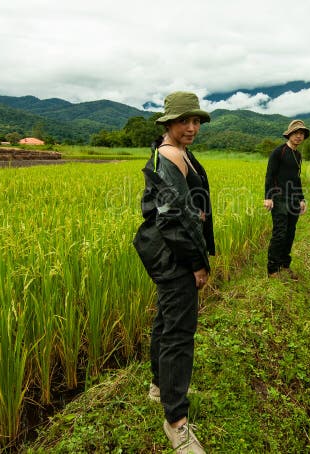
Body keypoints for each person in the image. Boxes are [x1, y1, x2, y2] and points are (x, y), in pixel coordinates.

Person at [133, 91, 214, 454]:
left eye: (196, 120)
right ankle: (176, 421)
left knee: (166, 320)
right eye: (185, 120)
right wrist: (197, 263)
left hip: (167, 254)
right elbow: (174, 219)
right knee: (179, 333)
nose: (192, 127)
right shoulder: (169, 156)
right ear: (169, 123)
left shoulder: (176, 152)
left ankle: (158, 387)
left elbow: (183, 209)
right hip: (175, 257)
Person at [263, 119, 310, 276]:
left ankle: (284, 264)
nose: (298, 136)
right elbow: (270, 175)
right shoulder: (279, 152)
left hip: (293, 200)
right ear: (289, 134)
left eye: (301, 134)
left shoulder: (298, 155)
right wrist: (268, 197)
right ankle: (272, 268)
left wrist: (301, 199)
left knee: (290, 233)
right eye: (296, 133)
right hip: (279, 198)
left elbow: (297, 179)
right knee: (280, 233)